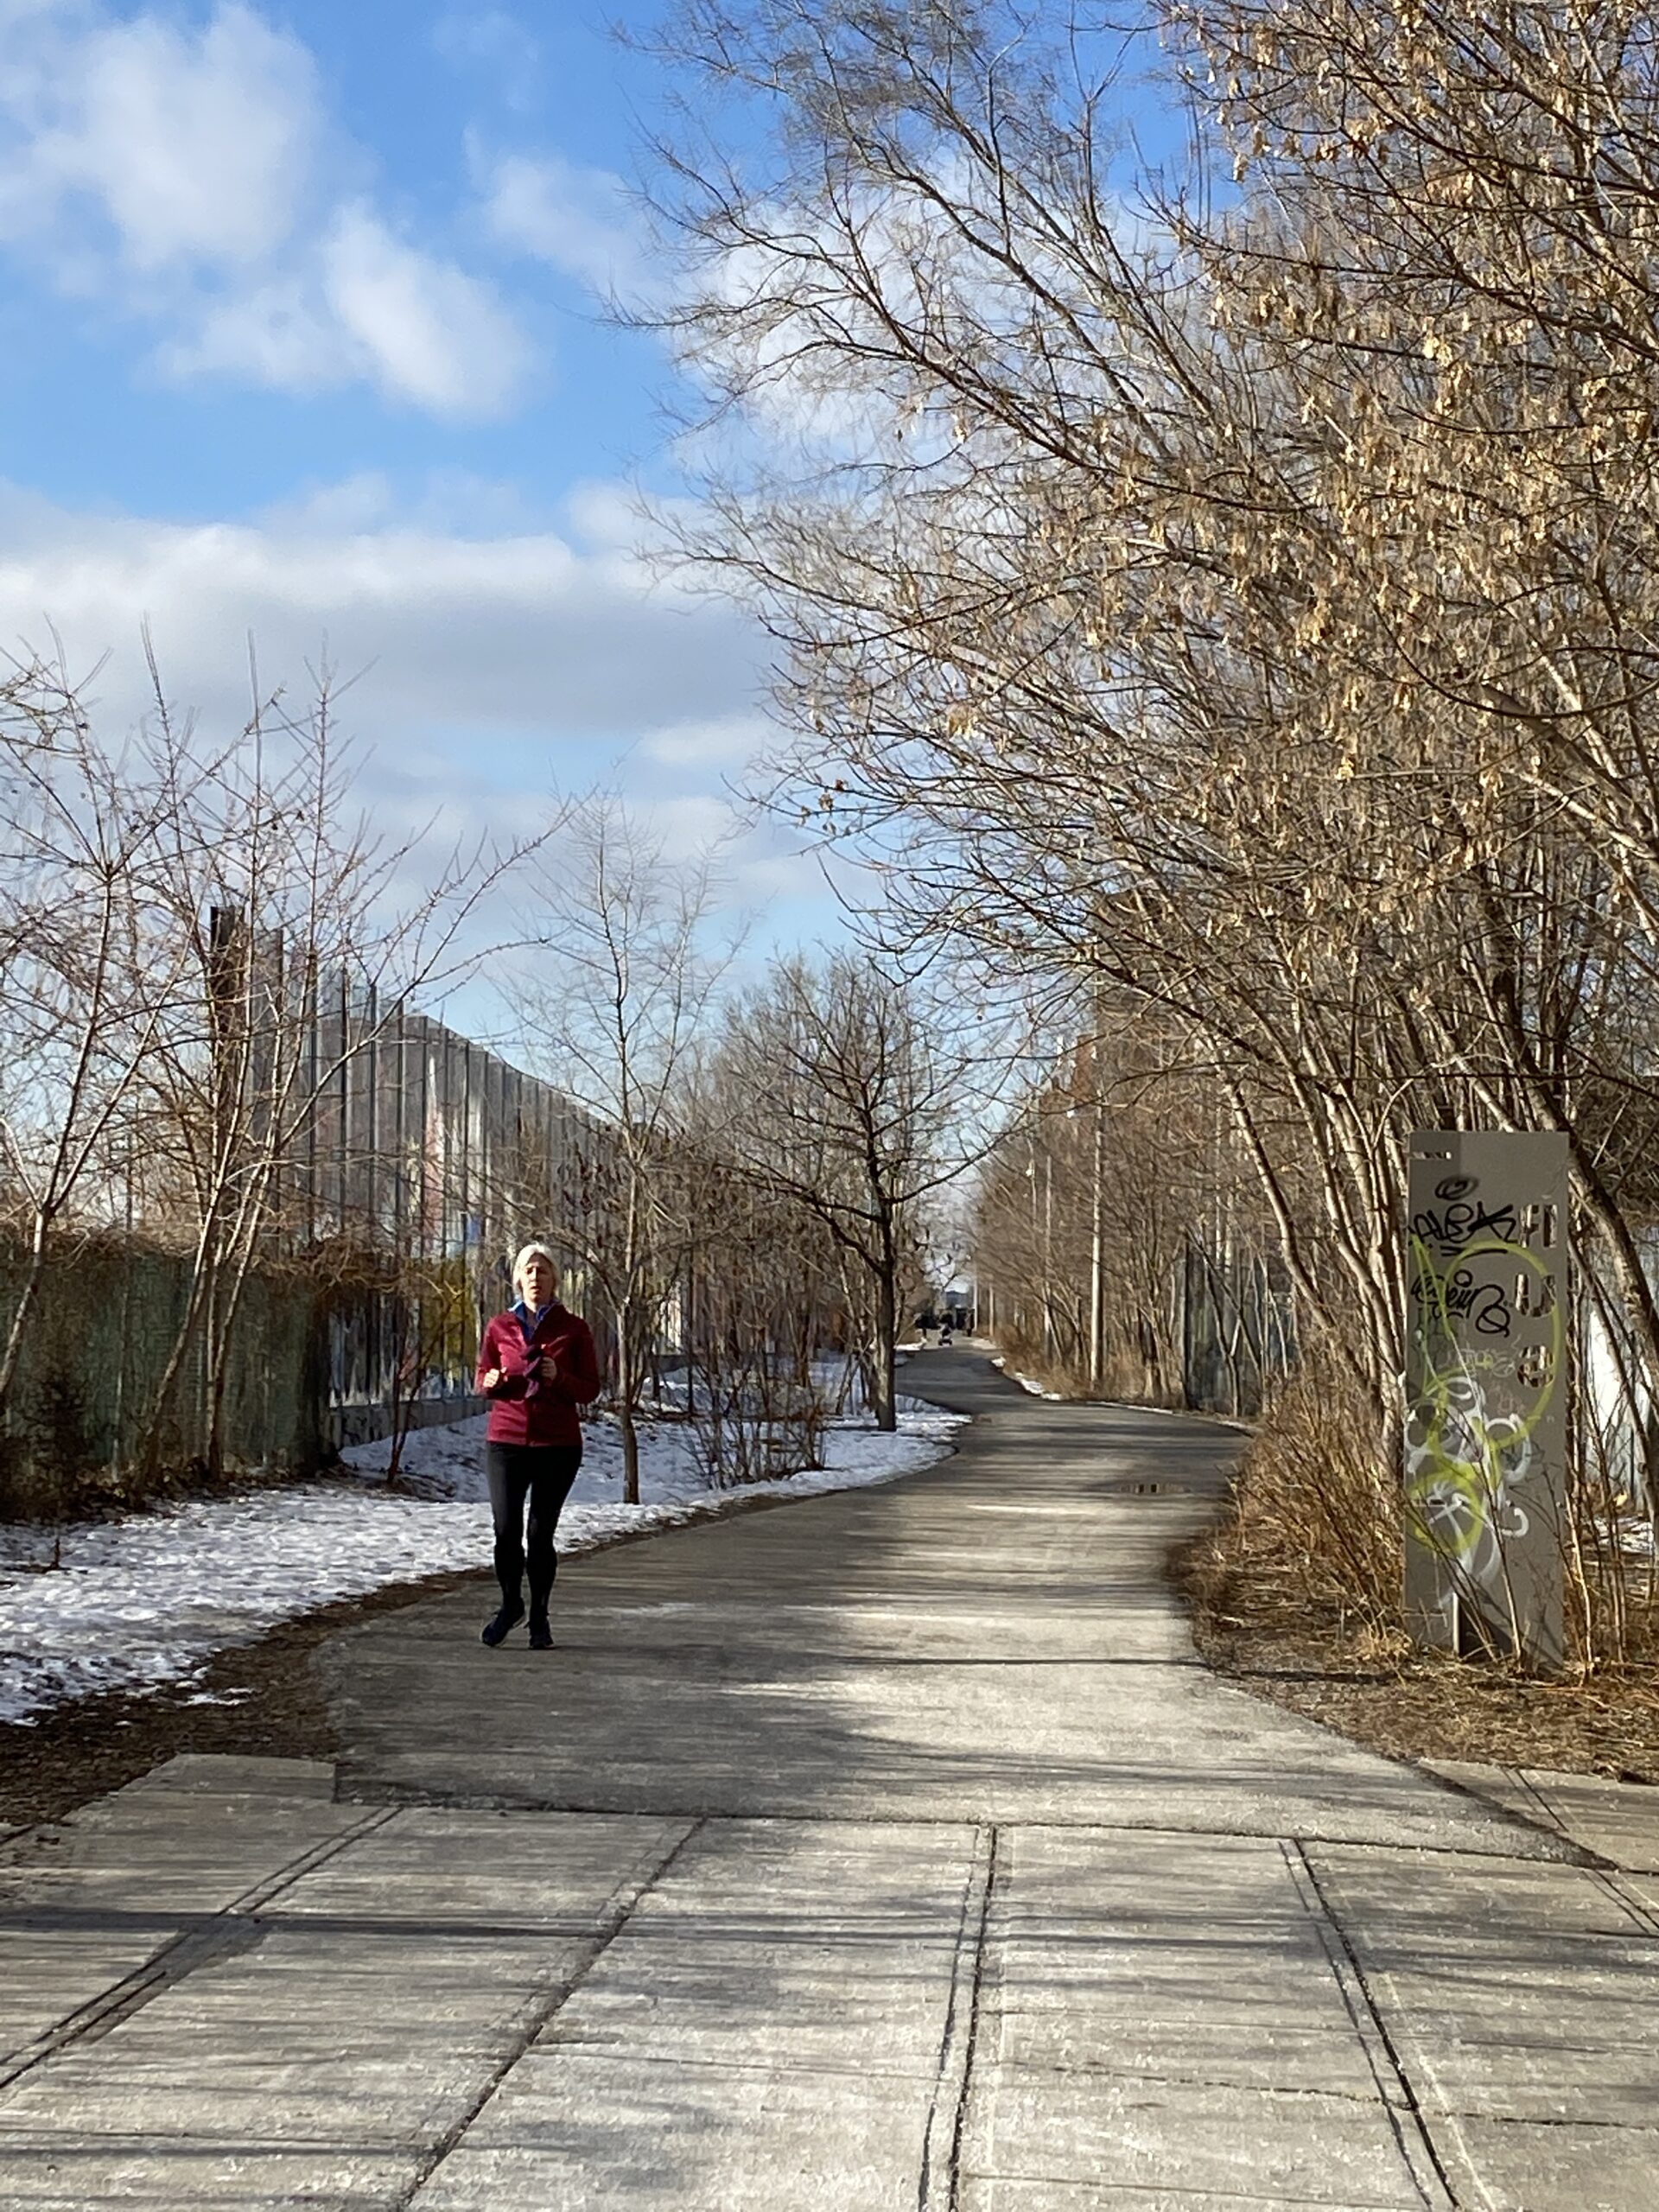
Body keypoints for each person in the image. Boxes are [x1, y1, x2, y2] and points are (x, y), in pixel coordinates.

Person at [474, 1243, 601, 1649]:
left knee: (540, 1533)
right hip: (506, 1440)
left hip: (557, 1444)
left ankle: (540, 1617)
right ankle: (511, 1604)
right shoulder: (499, 1327)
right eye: (528, 1271)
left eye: (543, 1271)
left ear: (555, 1280)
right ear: (517, 1279)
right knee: (506, 1530)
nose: (535, 1278)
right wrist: (489, 1383)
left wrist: (558, 1375)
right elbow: (481, 1378)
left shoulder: (573, 1328)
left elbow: (590, 1389)